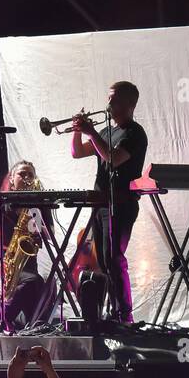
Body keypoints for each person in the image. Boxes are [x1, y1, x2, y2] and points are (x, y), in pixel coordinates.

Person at [70, 81, 147, 322]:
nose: (109, 103)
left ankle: (124, 314)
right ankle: (113, 313)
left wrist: (91, 132)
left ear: (129, 104)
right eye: (109, 98)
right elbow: (77, 152)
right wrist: (76, 130)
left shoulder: (135, 133)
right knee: (103, 261)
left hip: (121, 203)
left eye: (114, 99)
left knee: (114, 258)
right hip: (100, 203)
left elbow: (113, 159)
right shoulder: (106, 132)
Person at [0, 160, 50, 330]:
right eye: (22, 174)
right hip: (3, 263)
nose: (27, 177)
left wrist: (38, 222)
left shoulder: (39, 205)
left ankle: (1, 318)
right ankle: (2, 319)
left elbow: (51, 235)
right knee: (33, 283)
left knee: (36, 286)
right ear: (12, 179)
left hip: (28, 264)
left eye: (30, 174)